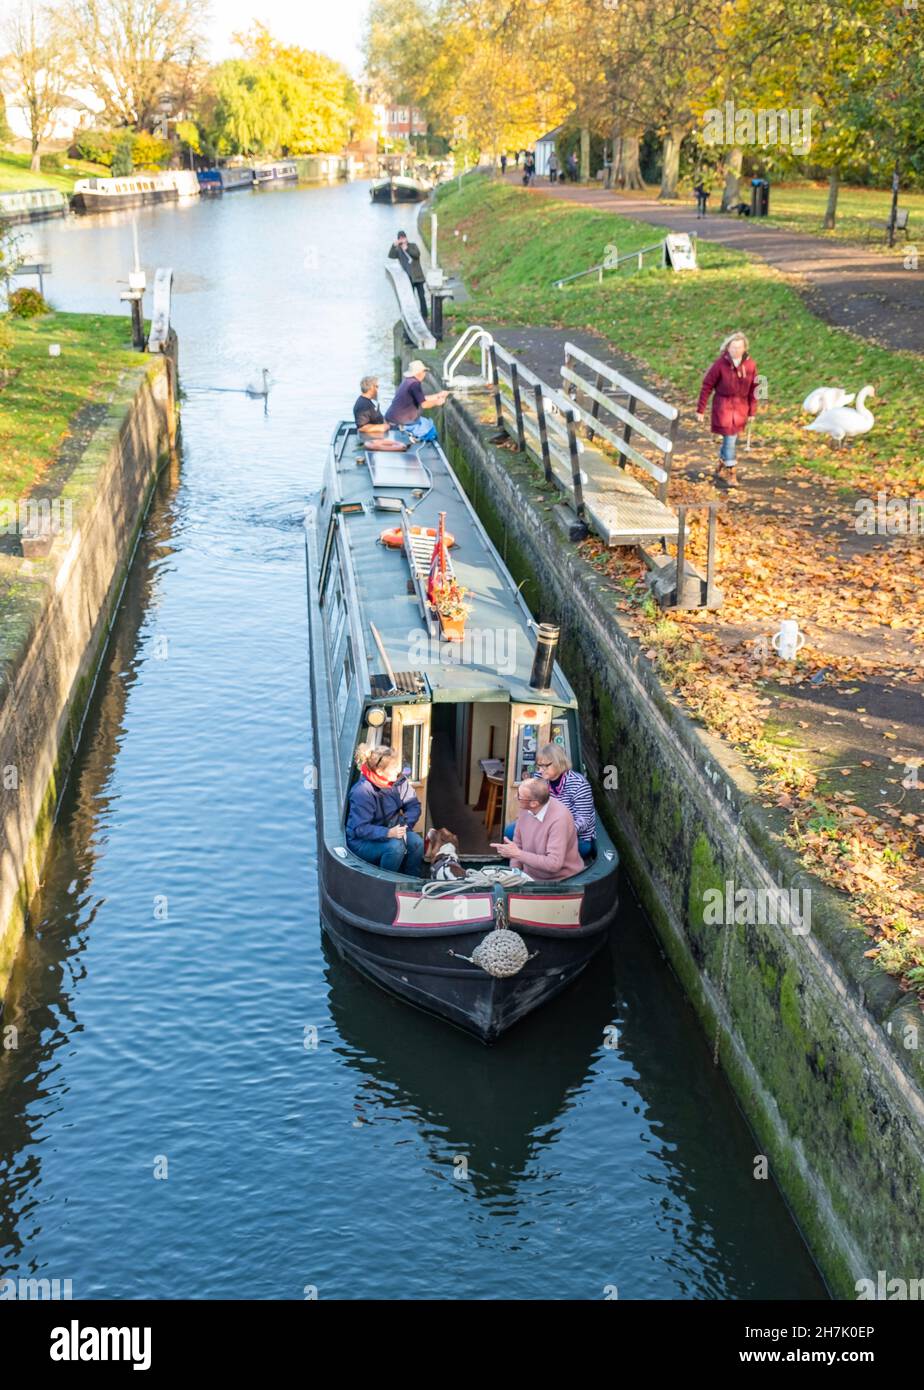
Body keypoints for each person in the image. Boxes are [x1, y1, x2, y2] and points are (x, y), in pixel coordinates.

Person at [346, 744, 425, 876]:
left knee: (418, 843)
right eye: (394, 768)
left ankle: (412, 881)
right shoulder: (362, 791)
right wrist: (388, 833)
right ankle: (386, 882)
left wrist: (405, 824)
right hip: (361, 841)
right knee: (395, 848)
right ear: (380, 772)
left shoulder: (398, 780)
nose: (398, 770)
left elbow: (413, 805)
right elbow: (359, 828)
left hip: (392, 829)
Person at [696, 331, 758, 490]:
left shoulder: (751, 365)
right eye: (733, 347)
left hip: (741, 409)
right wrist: (700, 409)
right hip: (723, 408)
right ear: (727, 347)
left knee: (729, 440)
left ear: (745, 348)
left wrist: (752, 411)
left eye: (739, 347)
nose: (736, 350)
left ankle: (722, 462)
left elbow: (754, 388)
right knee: (730, 440)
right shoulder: (720, 364)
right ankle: (732, 472)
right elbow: (707, 386)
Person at [493, 777, 584, 882]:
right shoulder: (525, 808)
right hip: (529, 876)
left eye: (519, 796)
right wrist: (515, 873)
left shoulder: (559, 819)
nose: (515, 797)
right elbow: (517, 843)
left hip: (560, 881)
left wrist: (517, 854)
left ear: (534, 804)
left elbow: (554, 864)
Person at [385, 360, 449, 441]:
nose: (425, 374)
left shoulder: (407, 381)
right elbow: (424, 404)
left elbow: (421, 398)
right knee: (431, 431)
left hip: (391, 418)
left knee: (425, 422)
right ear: (419, 373)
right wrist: (437, 402)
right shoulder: (415, 384)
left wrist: (438, 395)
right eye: (424, 371)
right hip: (400, 422)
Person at [388, 230, 428, 320]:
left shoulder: (412, 246)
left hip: (418, 277)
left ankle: (424, 315)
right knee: (410, 299)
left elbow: (417, 254)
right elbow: (391, 256)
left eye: (403, 238)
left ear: (406, 238)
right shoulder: (398, 250)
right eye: (400, 238)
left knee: (422, 296)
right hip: (408, 279)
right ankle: (412, 316)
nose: (402, 240)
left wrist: (407, 249)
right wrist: (393, 246)